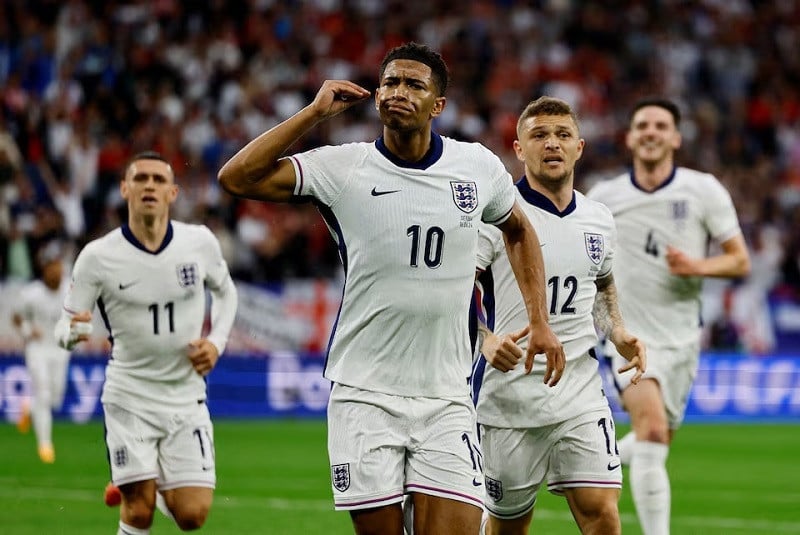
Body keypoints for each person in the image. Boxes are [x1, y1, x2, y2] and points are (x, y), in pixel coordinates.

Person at [217, 42, 565, 535]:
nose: (398, 92)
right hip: (365, 394)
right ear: (377, 94)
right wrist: (313, 115)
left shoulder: (477, 167)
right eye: (390, 83)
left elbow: (518, 230)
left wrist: (539, 321)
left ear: (437, 106)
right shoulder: (344, 167)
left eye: (414, 85)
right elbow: (236, 177)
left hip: (446, 394)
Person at [471, 96, 646, 535]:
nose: (552, 144)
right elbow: (455, 293)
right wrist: (484, 339)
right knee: (510, 524)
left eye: (563, 135)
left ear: (580, 147)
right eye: (540, 135)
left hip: (579, 390)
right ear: (518, 148)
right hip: (509, 397)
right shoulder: (495, 215)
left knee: (602, 513)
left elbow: (601, 283)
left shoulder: (598, 218)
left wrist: (617, 330)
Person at [586, 97, 751, 535]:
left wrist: (698, 266)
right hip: (628, 337)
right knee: (653, 432)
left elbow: (739, 262)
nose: (651, 132)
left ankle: (585, 462)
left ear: (676, 137)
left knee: (653, 440)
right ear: (630, 137)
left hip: (683, 338)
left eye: (661, 125)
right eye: (642, 125)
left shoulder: (703, 190)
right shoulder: (604, 198)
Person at [54, 151, 238, 535]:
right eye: (140, 179)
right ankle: (138, 486)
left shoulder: (199, 243)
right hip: (129, 397)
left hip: (186, 396)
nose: (149, 186)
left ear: (172, 192)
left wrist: (216, 342)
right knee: (138, 513)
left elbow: (226, 292)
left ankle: (143, 482)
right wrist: (72, 334)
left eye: (158, 180)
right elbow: (66, 325)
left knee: (192, 516)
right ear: (125, 189)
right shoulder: (98, 257)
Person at [12, 241, 72, 463]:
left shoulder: (71, 289)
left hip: (60, 349)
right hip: (38, 349)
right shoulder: (31, 294)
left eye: (59, 266)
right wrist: (28, 330)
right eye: (52, 267)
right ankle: (45, 446)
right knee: (44, 393)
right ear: (44, 270)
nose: (56, 272)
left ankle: (28, 406)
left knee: (55, 398)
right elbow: (17, 317)